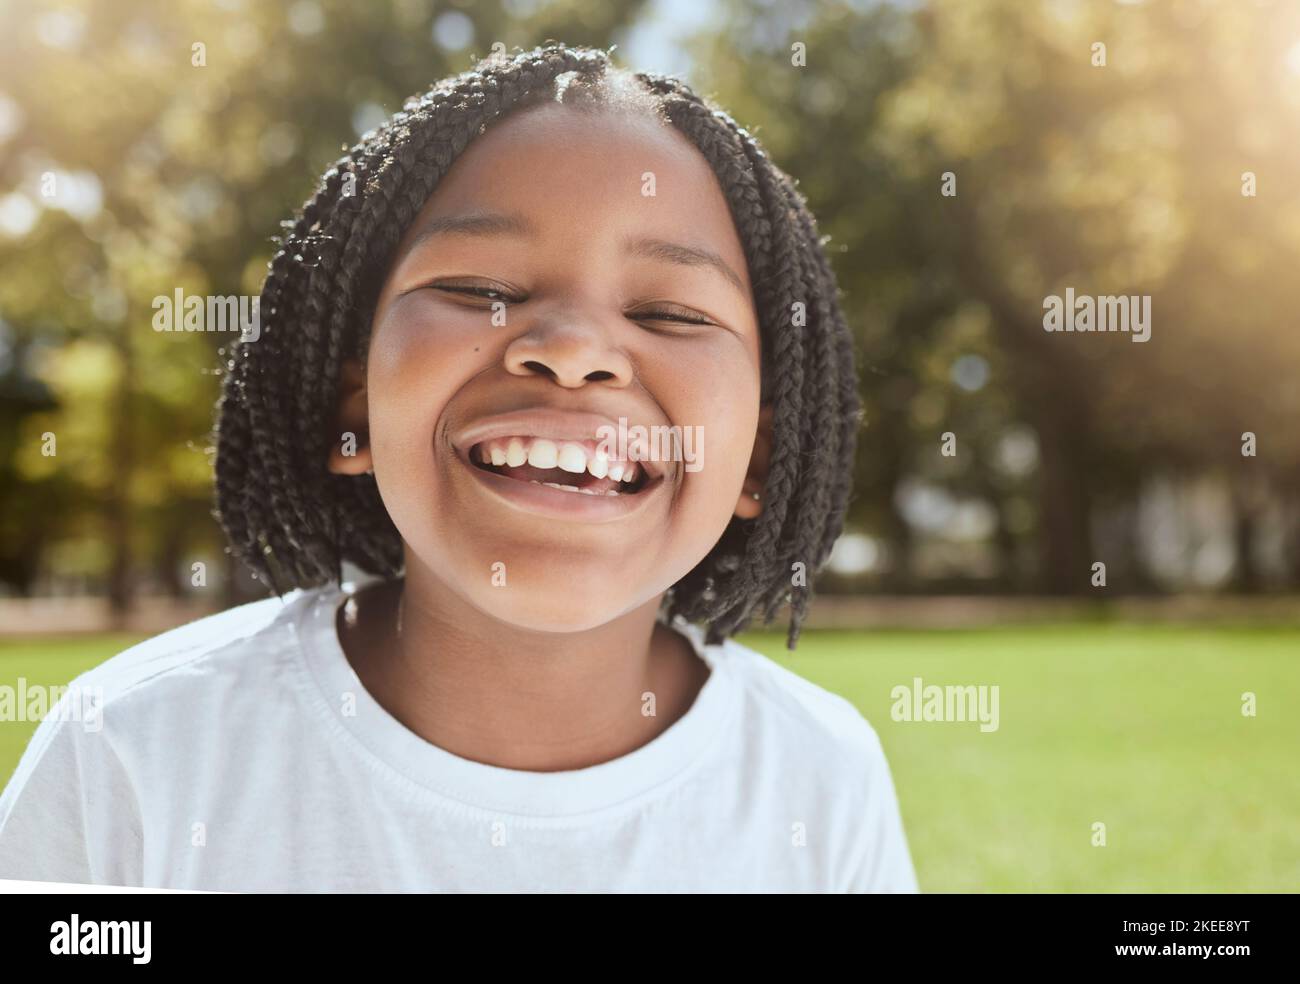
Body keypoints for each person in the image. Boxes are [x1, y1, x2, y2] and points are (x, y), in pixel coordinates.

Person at [0, 44, 917, 893]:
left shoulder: (820, 779)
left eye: (672, 313)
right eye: (479, 291)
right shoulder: (131, 750)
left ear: (759, 454)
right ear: (351, 406)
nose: (572, 350)